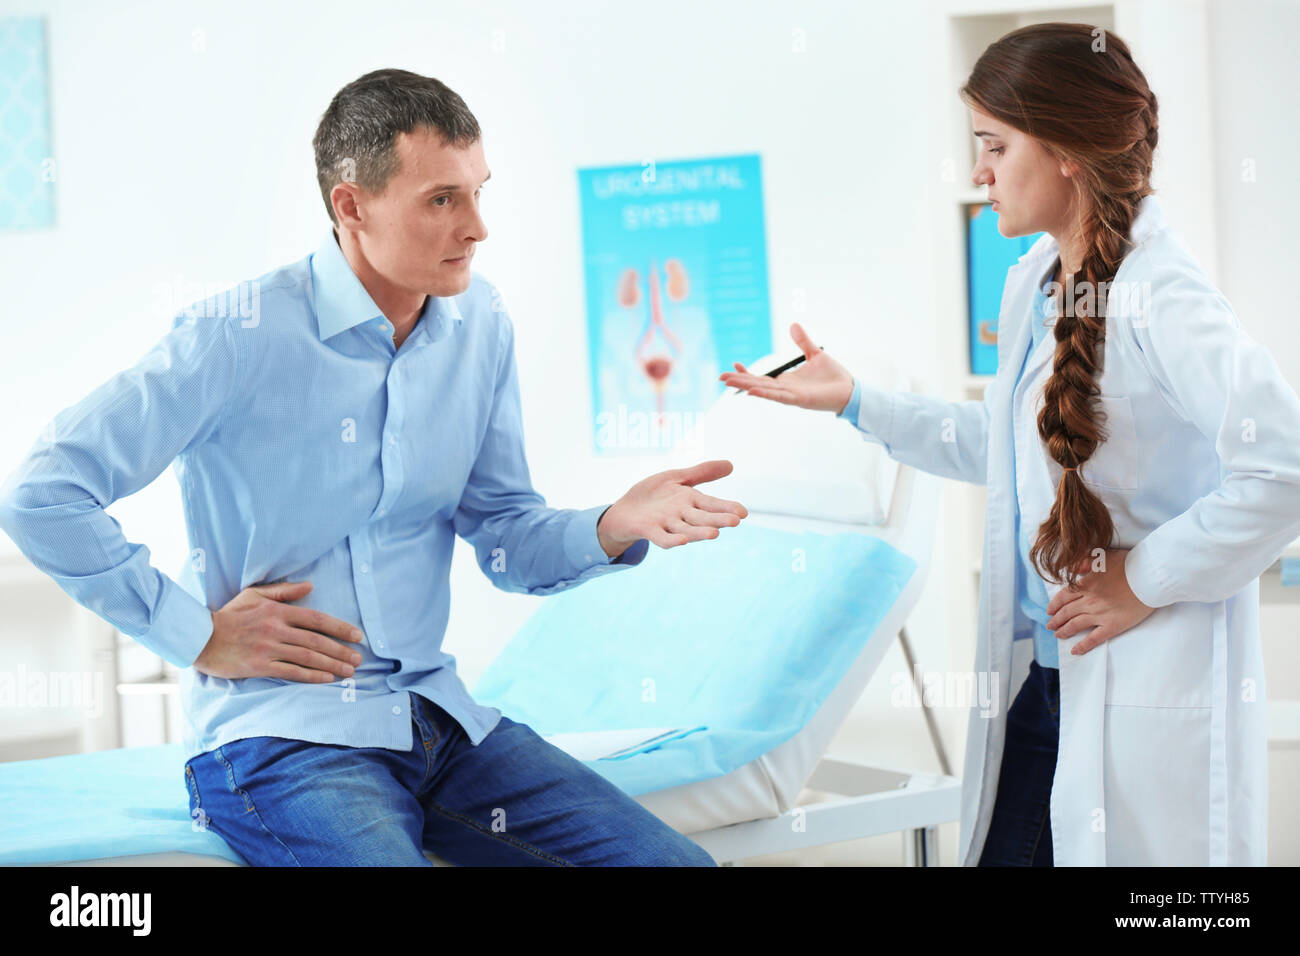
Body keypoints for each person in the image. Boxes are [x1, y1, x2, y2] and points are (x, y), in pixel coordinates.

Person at [0, 69, 748, 866]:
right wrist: (198, 634)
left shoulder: (481, 325)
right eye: (441, 200)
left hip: (443, 726)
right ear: (351, 206)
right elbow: (45, 495)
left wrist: (611, 525)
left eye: (478, 191)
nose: (477, 227)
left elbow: (502, 533)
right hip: (285, 742)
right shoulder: (237, 335)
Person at [721, 23, 1300, 866]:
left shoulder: (1162, 294)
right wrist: (856, 402)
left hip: (1139, 687)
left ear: (1065, 149)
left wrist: (1142, 576)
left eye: (994, 144)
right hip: (1049, 688)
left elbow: (1283, 466)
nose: (979, 172)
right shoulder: (1037, 278)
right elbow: (1007, 447)